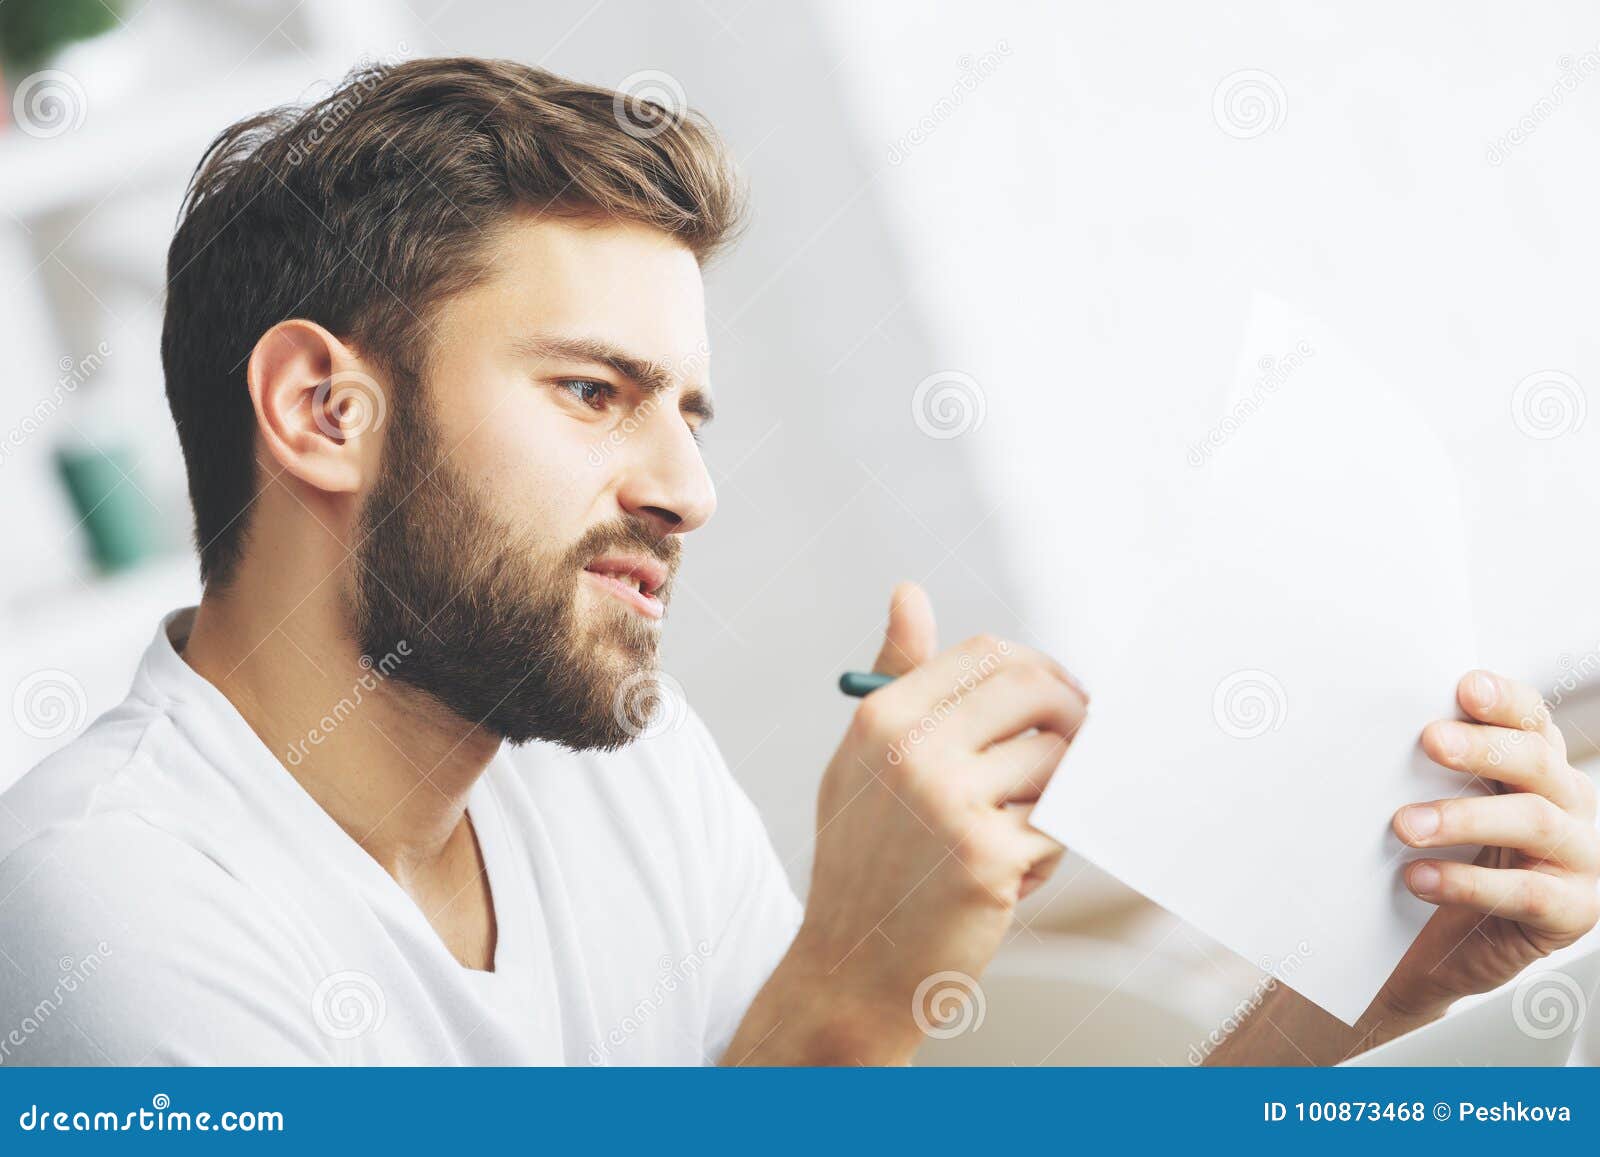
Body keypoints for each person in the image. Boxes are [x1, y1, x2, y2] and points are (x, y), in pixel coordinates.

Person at [0, 58, 1593, 1066]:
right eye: (594, 393)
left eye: (689, 413)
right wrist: (851, 983)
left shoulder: (613, 771)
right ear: (320, 409)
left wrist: (1350, 996)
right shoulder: (102, 914)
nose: (688, 490)